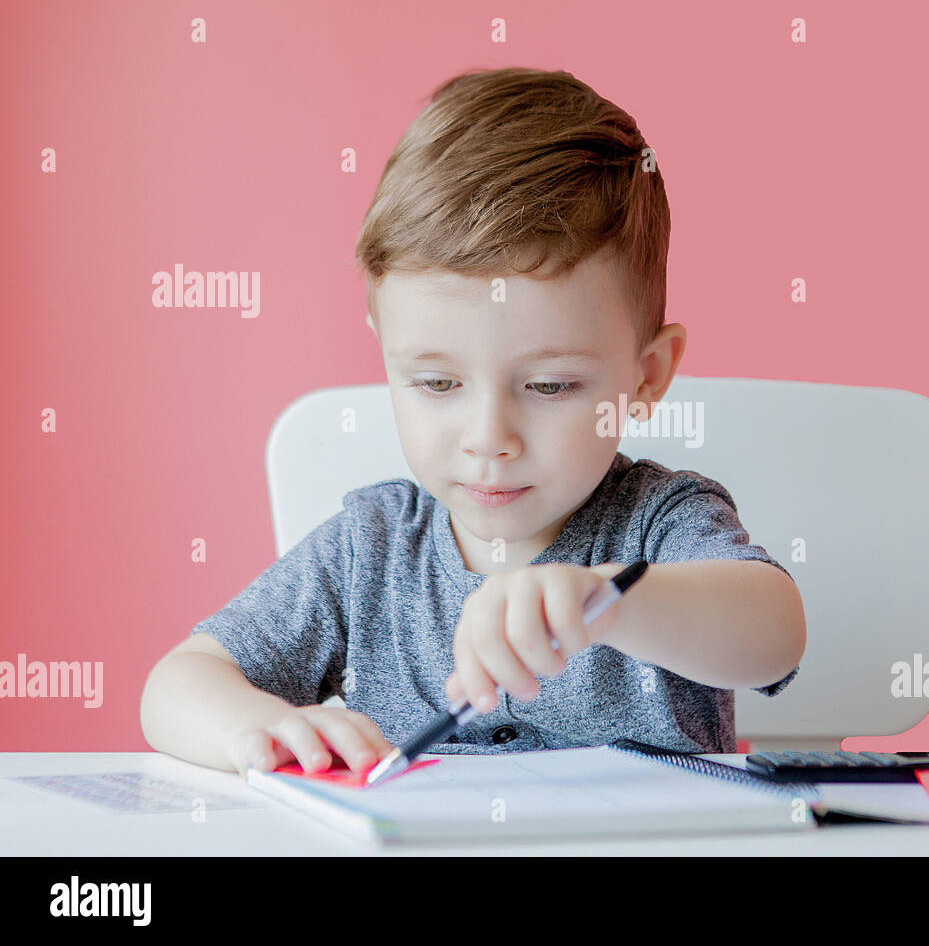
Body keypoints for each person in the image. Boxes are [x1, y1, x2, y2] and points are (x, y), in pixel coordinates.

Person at [140, 67, 805, 779]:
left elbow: (773, 634)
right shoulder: (370, 550)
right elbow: (177, 685)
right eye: (437, 382)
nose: (489, 437)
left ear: (645, 377)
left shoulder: (660, 523)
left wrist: (610, 601)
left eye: (550, 385)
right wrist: (262, 728)